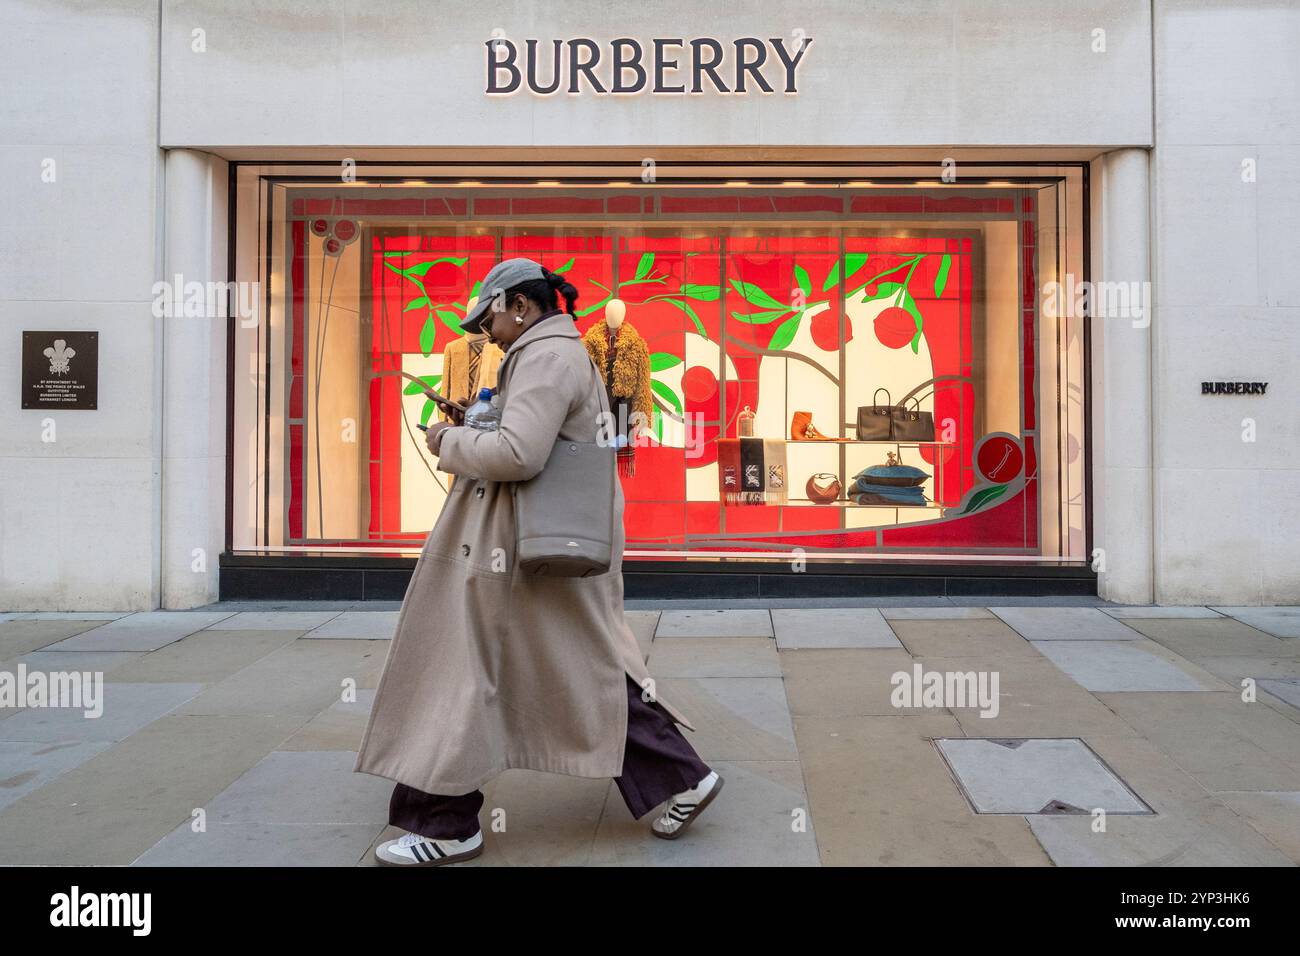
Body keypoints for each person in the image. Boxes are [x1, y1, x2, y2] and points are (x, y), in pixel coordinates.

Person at [355, 257, 723, 866]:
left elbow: (520, 454)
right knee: (573, 663)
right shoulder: (552, 353)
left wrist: (448, 441)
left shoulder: (547, 357)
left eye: (490, 317)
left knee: (464, 671)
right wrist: (477, 418)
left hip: (511, 548)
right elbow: (532, 438)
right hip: (522, 543)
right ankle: (681, 778)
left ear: (519, 305)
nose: (485, 332)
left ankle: (446, 824)